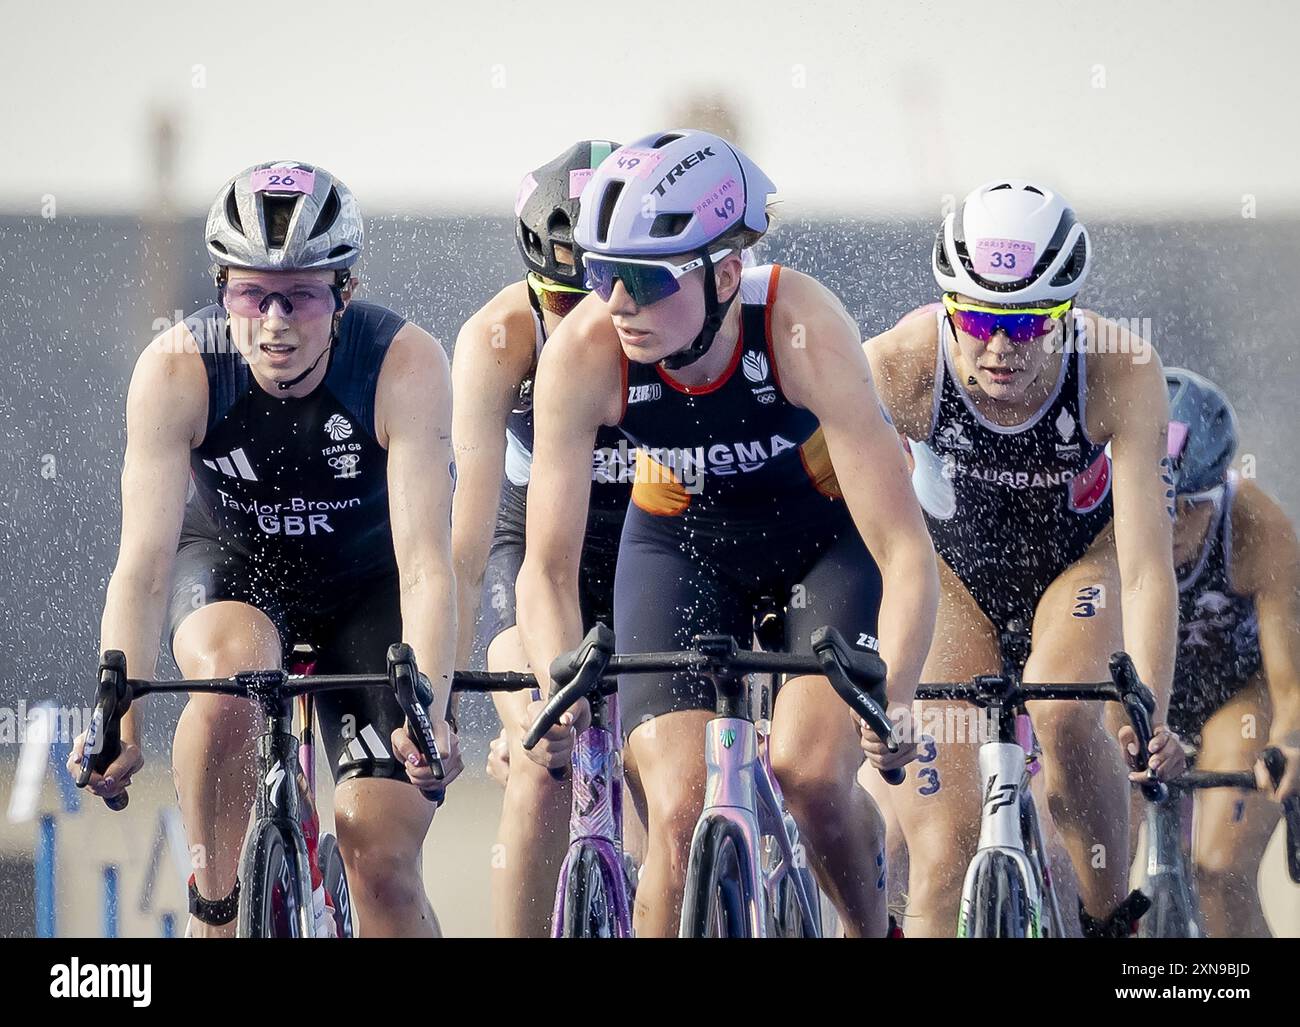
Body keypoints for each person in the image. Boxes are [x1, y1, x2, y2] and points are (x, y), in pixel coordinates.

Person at [515, 129, 939, 937]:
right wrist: (553, 680)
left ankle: (871, 924)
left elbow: (904, 548)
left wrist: (900, 695)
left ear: (726, 272)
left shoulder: (801, 325)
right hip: (679, 546)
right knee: (675, 812)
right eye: (603, 273)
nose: (617, 302)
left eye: (643, 277)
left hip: (822, 544)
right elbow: (544, 568)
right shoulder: (584, 354)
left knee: (810, 772)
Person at [69, 161, 458, 937]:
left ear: (343, 292)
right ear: (222, 290)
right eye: (252, 294)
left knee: (379, 856)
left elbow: (425, 564)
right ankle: (217, 905)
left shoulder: (403, 363)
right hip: (231, 567)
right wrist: (122, 717)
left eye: (302, 295)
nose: (275, 320)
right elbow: (142, 570)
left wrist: (432, 710)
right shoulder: (178, 367)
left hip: (367, 585)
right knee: (235, 667)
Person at [864, 180, 1184, 936]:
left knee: (1064, 705)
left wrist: (1148, 711)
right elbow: (852, 541)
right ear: (947, 309)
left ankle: (1111, 918)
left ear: (1065, 313)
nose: (1002, 347)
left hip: (1078, 565)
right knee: (943, 860)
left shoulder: (1122, 369)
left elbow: (1144, 569)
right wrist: (876, 687)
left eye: (1030, 323)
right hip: (949, 573)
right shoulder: (899, 366)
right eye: (977, 320)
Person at [450, 139, 632, 936]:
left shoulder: (663, 324)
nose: (583, 325)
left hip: (650, 536)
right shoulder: (494, 340)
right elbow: (467, 544)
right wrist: (456, 698)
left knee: (674, 767)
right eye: (561, 301)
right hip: (530, 544)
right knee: (539, 750)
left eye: (599, 293)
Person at [1160, 367, 1300, 936]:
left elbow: (1289, 682)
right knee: (1096, 864)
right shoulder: (1097, 521)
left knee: (1219, 873)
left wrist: (1288, 744)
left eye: (1190, 506)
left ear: (1220, 489)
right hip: (1137, 696)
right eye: (1157, 504)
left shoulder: (1261, 527)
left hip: (1235, 696)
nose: (1169, 524)